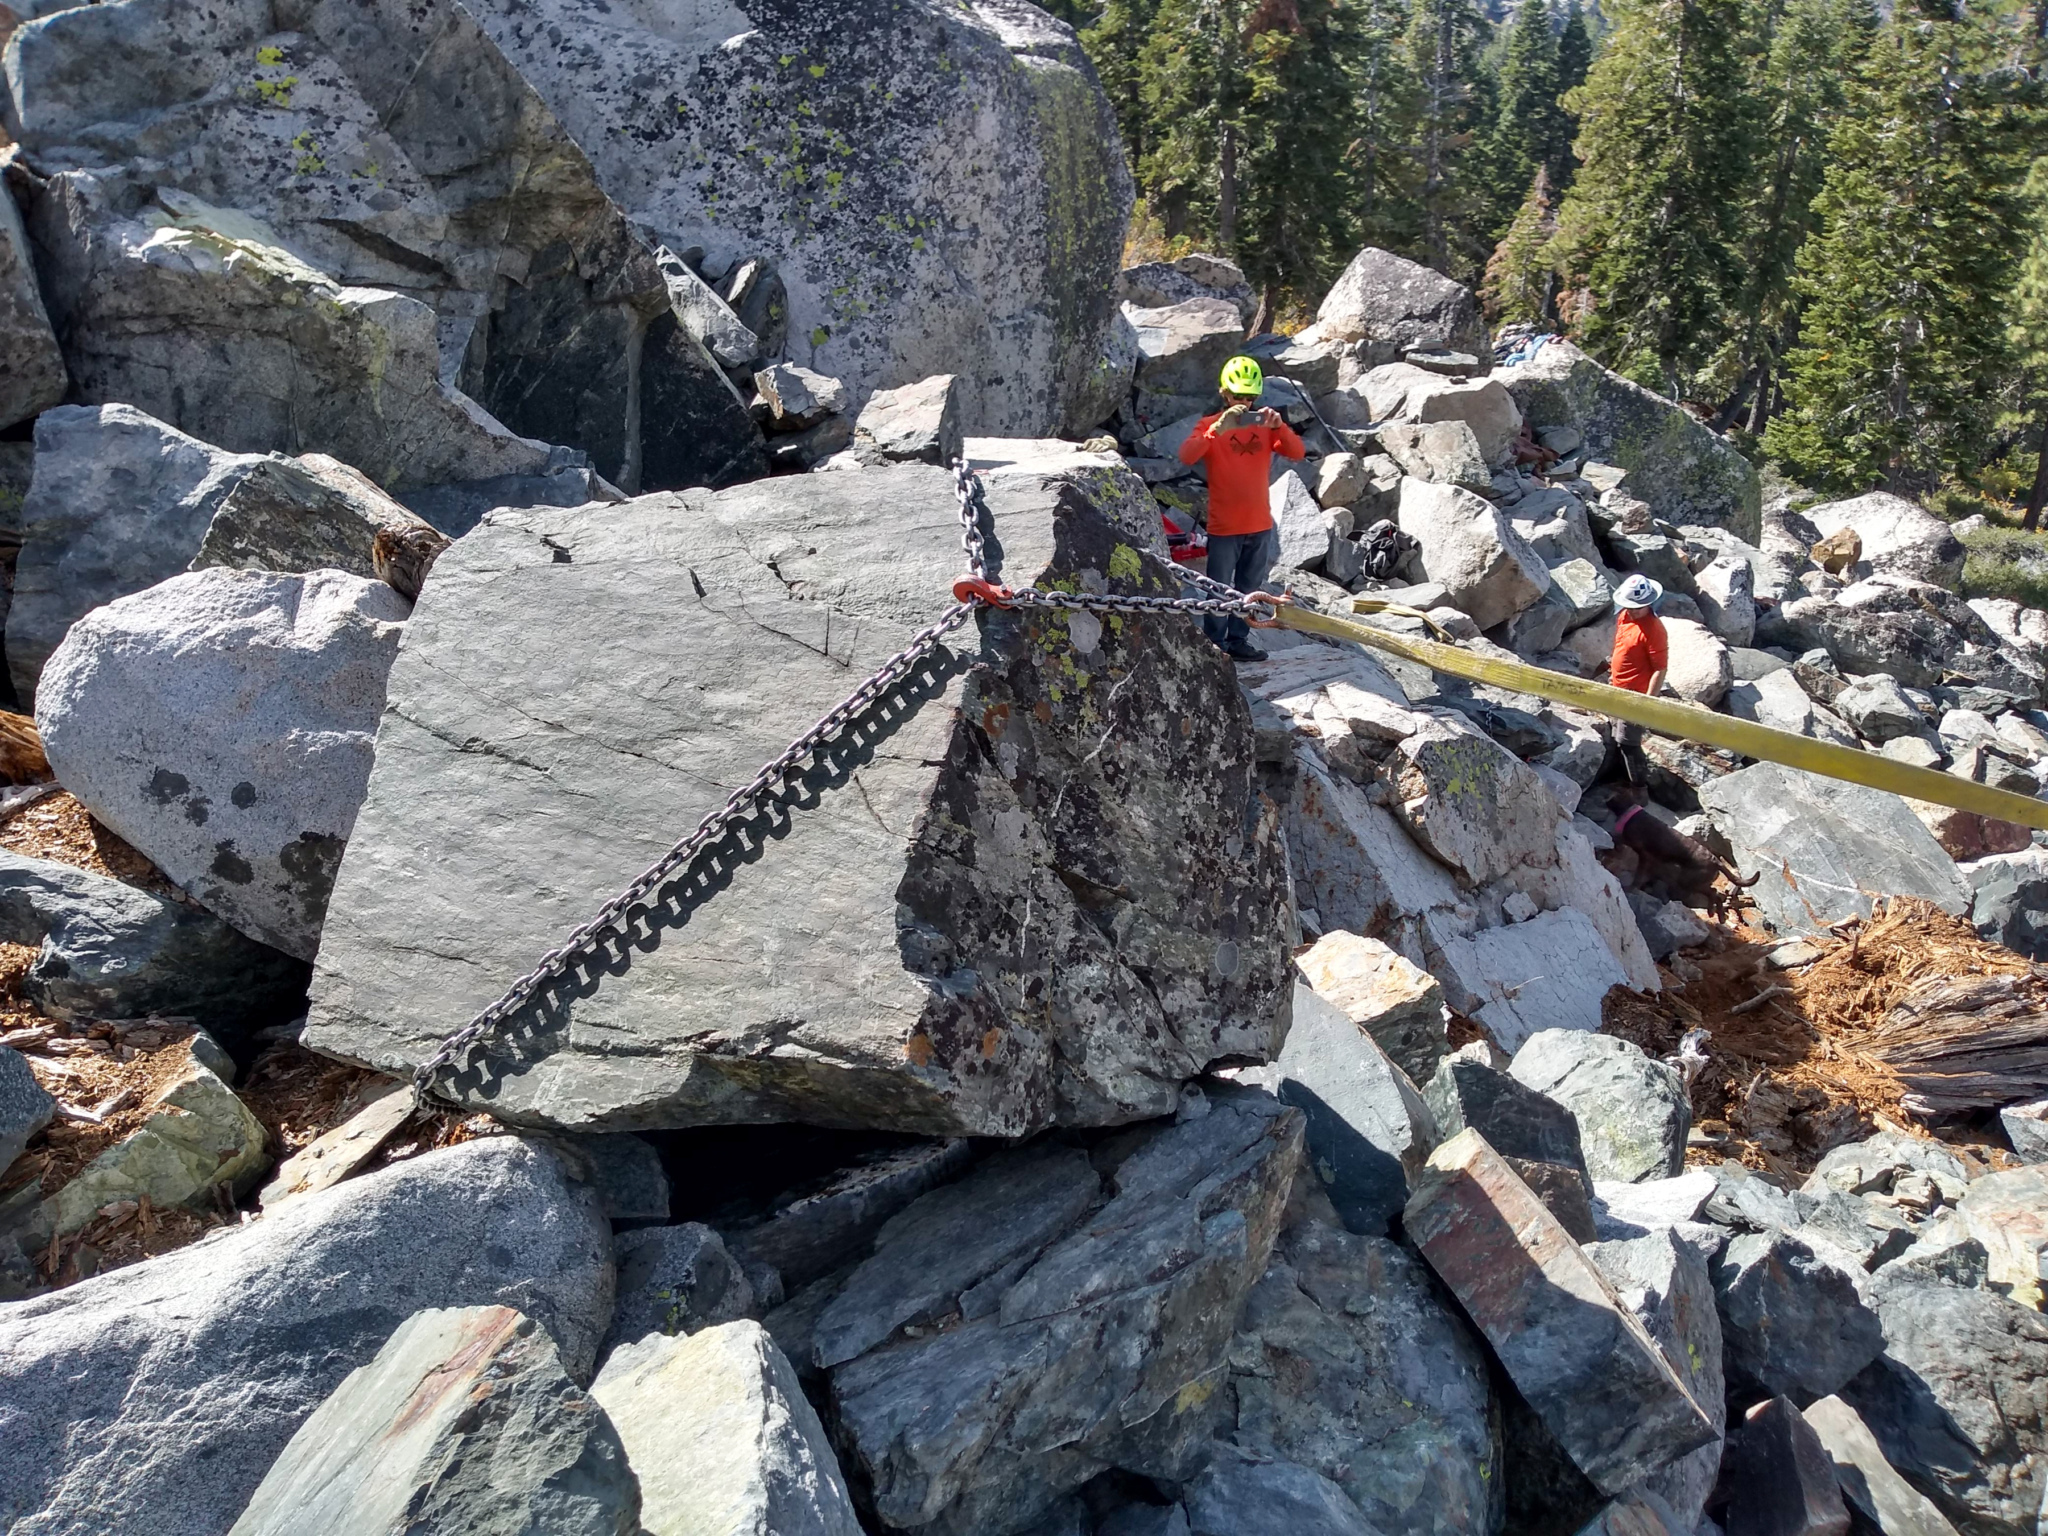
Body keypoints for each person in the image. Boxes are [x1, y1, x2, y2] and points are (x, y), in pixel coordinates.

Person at [1177, 354, 1306, 660]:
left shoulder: (1264, 427)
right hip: (1224, 527)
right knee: (1218, 588)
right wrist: (1217, 429)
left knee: (1249, 588)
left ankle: (1238, 641)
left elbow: (1297, 452)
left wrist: (1279, 427)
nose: (1244, 403)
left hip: (1259, 525)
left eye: (1250, 397)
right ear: (1225, 394)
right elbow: (1186, 456)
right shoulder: (1209, 426)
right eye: (1238, 396)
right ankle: (1214, 645)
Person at [1609, 573, 1667, 783]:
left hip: (1635, 695)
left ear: (1648, 603)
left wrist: (1647, 701)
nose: (1632, 611)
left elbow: (1660, 668)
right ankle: (1619, 778)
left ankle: (1638, 788)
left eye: (1637, 608)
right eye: (1629, 606)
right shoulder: (1625, 615)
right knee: (1615, 734)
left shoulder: (1654, 630)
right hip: (1616, 687)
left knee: (1629, 744)